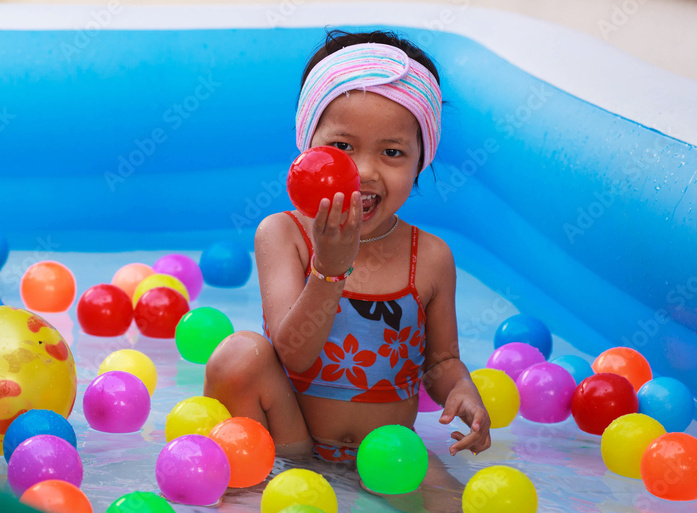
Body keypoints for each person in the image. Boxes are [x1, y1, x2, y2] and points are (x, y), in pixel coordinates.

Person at [204, 29, 492, 495]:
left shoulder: (431, 257)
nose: (363, 171)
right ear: (306, 146)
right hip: (289, 448)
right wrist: (330, 268)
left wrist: (461, 389)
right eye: (342, 147)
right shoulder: (285, 235)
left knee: (454, 505)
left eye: (392, 152)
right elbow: (293, 354)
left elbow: (440, 362)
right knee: (240, 355)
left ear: (422, 161)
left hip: (390, 455)